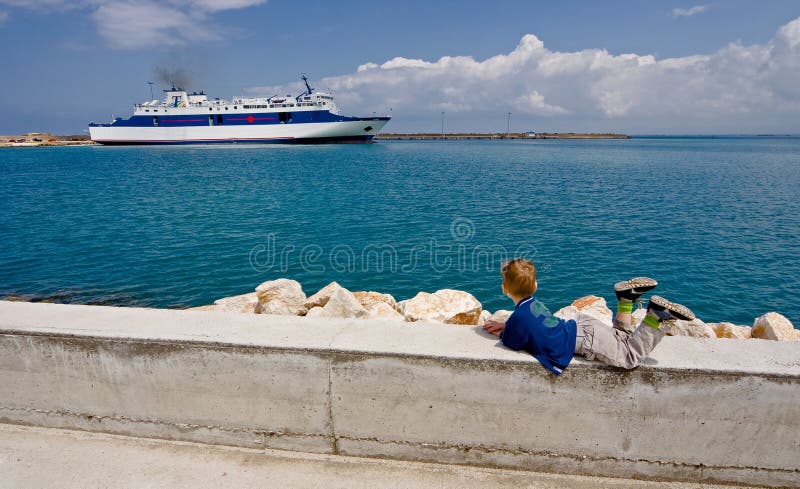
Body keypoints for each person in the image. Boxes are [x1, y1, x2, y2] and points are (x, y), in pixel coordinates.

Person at [482, 258, 694, 375]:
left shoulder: (519, 318)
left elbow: (514, 341)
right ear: (535, 286)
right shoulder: (533, 305)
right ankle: (626, 299)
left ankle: (655, 317)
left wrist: (504, 332)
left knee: (629, 357)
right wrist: (507, 324)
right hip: (583, 326)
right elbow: (530, 324)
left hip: (586, 341)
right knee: (622, 338)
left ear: (503, 288)